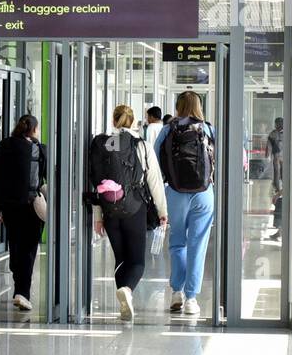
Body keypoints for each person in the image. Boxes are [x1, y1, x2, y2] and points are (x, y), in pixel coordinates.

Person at [89, 106, 167, 321]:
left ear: (114, 121)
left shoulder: (102, 145)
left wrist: (98, 216)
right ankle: (127, 291)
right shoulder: (141, 145)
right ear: (133, 122)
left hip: (109, 209)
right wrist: (162, 211)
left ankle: (124, 295)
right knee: (137, 262)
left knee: (121, 259)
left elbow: (96, 182)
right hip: (135, 208)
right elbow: (155, 182)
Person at [153, 90, 216, 317]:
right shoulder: (208, 129)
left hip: (175, 193)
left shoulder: (168, 129)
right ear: (198, 106)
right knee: (197, 245)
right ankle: (191, 299)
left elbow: (155, 159)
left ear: (178, 106)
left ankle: (176, 292)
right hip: (204, 193)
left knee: (178, 243)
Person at [0, 113, 47, 312]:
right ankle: (22, 292)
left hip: (10, 206)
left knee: (15, 246)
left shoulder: (4, 145)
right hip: (32, 205)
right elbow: (46, 178)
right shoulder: (38, 149)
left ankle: (19, 289)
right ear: (34, 129)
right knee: (29, 250)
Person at [267, 116, 285, 193]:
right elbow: (269, 145)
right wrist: (268, 155)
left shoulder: (286, 133)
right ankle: (277, 188)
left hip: (283, 156)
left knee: (282, 172)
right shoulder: (273, 134)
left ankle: (282, 188)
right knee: (276, 172)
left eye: (280, 124)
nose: (278, 125)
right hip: (277, 156)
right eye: (277, 124)